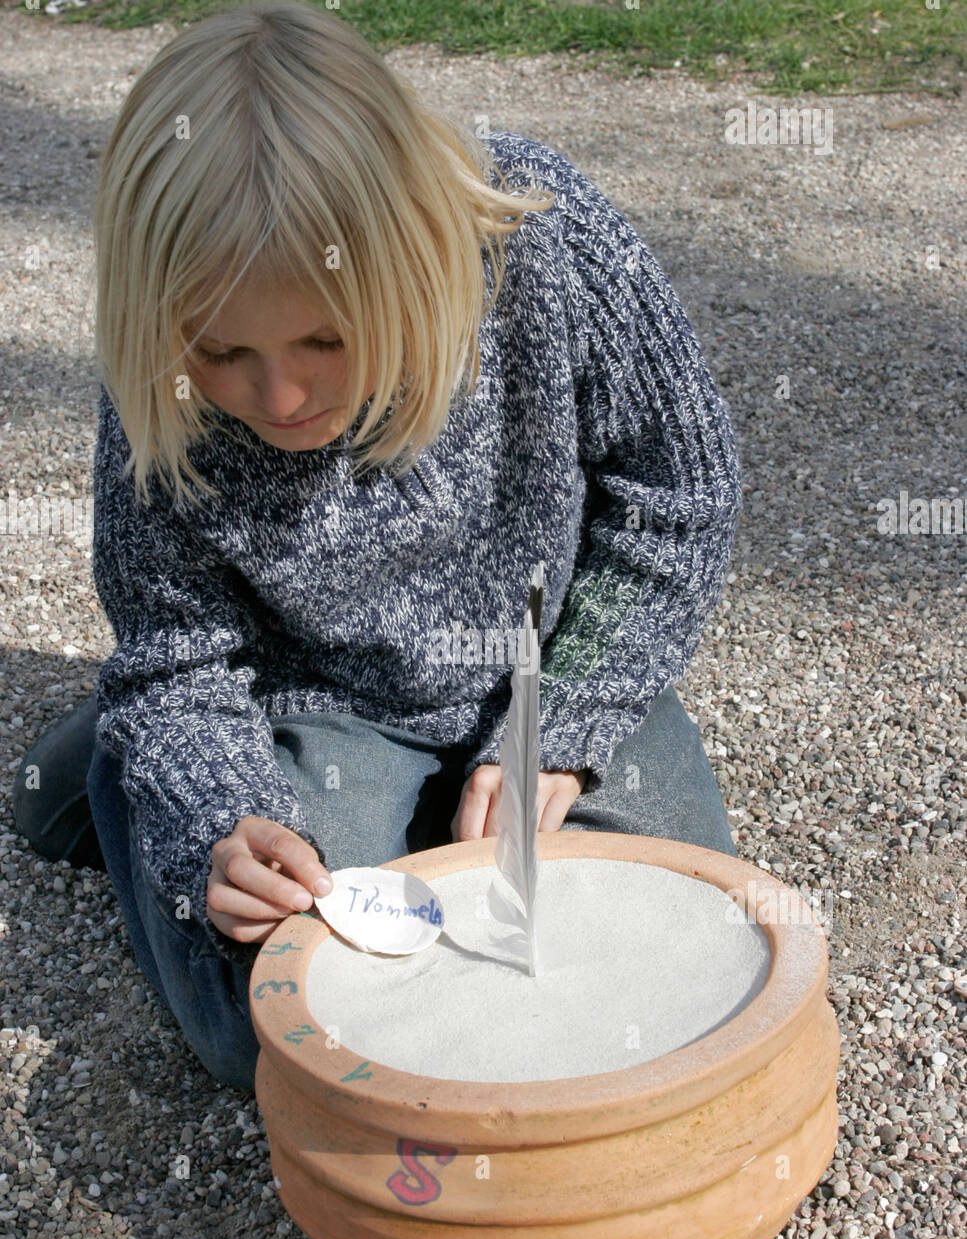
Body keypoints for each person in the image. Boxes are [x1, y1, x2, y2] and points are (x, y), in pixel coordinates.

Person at [13, 1, 743, 1092]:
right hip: (316, 699)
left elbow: (680, 494)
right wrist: (214, 822)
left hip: (537, 675)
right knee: (280, 1024)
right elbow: (175, 652)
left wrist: (570, 723)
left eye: (327, 337)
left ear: (417, 252)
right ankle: (115, 774)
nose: (282, 393)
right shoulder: (156, 377)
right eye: (222, 351)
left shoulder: (541, 242)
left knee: (686, 949)